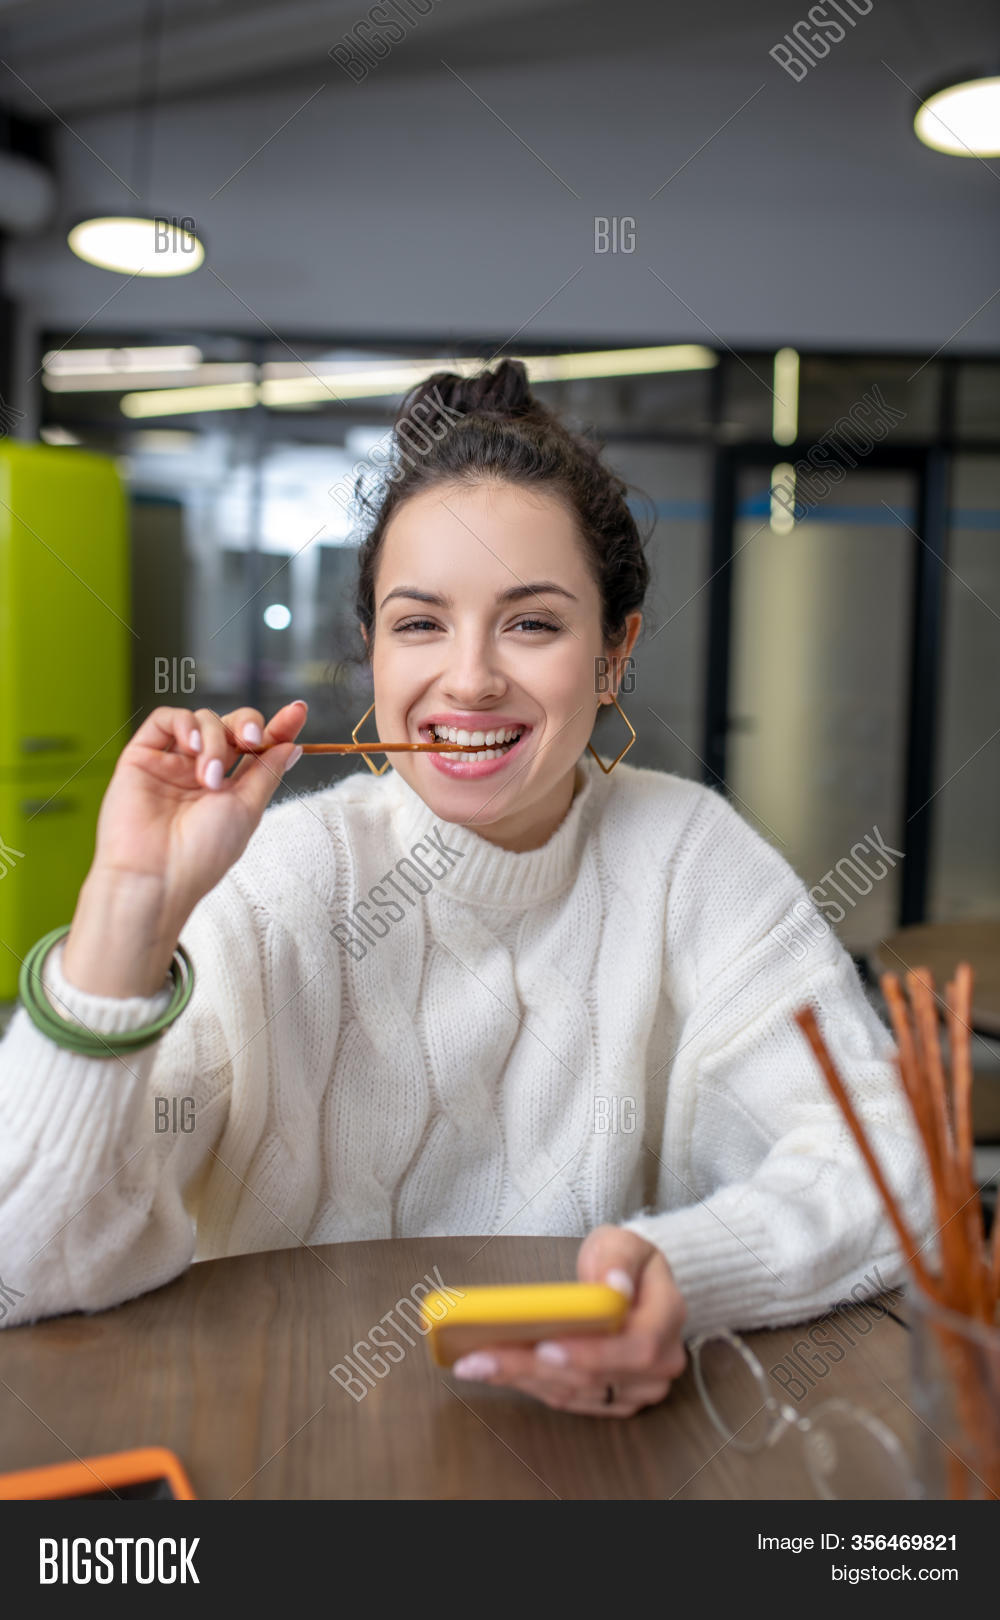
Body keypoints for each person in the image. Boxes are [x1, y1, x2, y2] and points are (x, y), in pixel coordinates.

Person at [0, 359, 931, 1418]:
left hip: (591, 1462)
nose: (472, 677)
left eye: (532, 623)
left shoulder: (689, 859)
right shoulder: (278, 879)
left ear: (613, 655)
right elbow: (23, 1266)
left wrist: (681, 1276)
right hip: (277, 1449)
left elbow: (900, 1173)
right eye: (420, 623)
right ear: (371, 652)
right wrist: (129, 904)